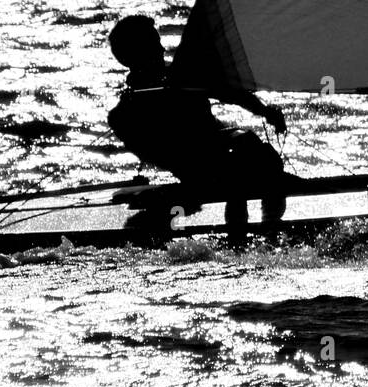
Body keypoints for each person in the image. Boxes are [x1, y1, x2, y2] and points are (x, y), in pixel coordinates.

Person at [106, 15, 289, 235]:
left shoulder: (185, 77)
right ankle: (238, 236)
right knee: (239, 158)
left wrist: (266, 112)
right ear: (138, 55)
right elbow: (145, 145)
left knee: (257, 152)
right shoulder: (126, 109)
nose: (163, 48)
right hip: (198, 168)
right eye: (155, 44)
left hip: (221, 155)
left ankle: (270, 225)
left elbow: (230, 92)